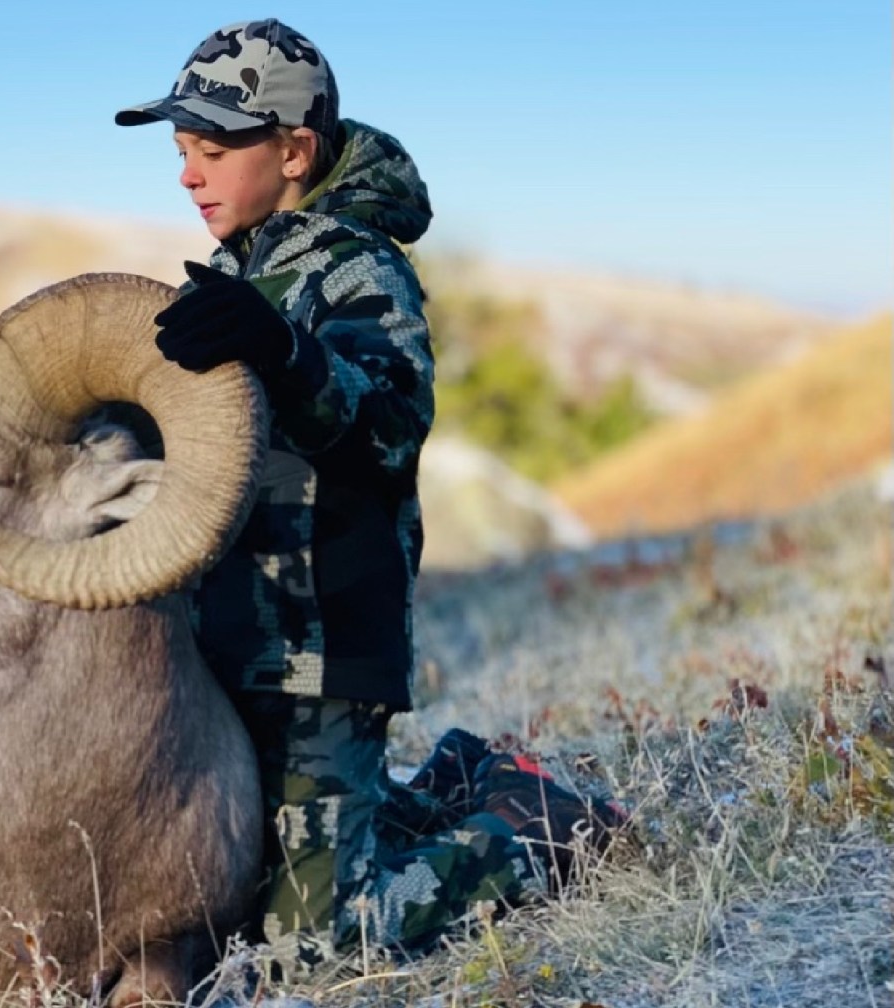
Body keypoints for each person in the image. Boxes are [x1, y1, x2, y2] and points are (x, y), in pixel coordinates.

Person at [115, 19, 624, 970]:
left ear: (296, 150)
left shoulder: (362, 265)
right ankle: (461, 780)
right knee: (229, 896)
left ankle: (545, 832)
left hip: (322, 650)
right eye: (182, 153)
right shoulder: (240, 270)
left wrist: (280, 348)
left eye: (214, 150)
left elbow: (390, 430)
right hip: (230, 648)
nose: (188, 174)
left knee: (312, 942)